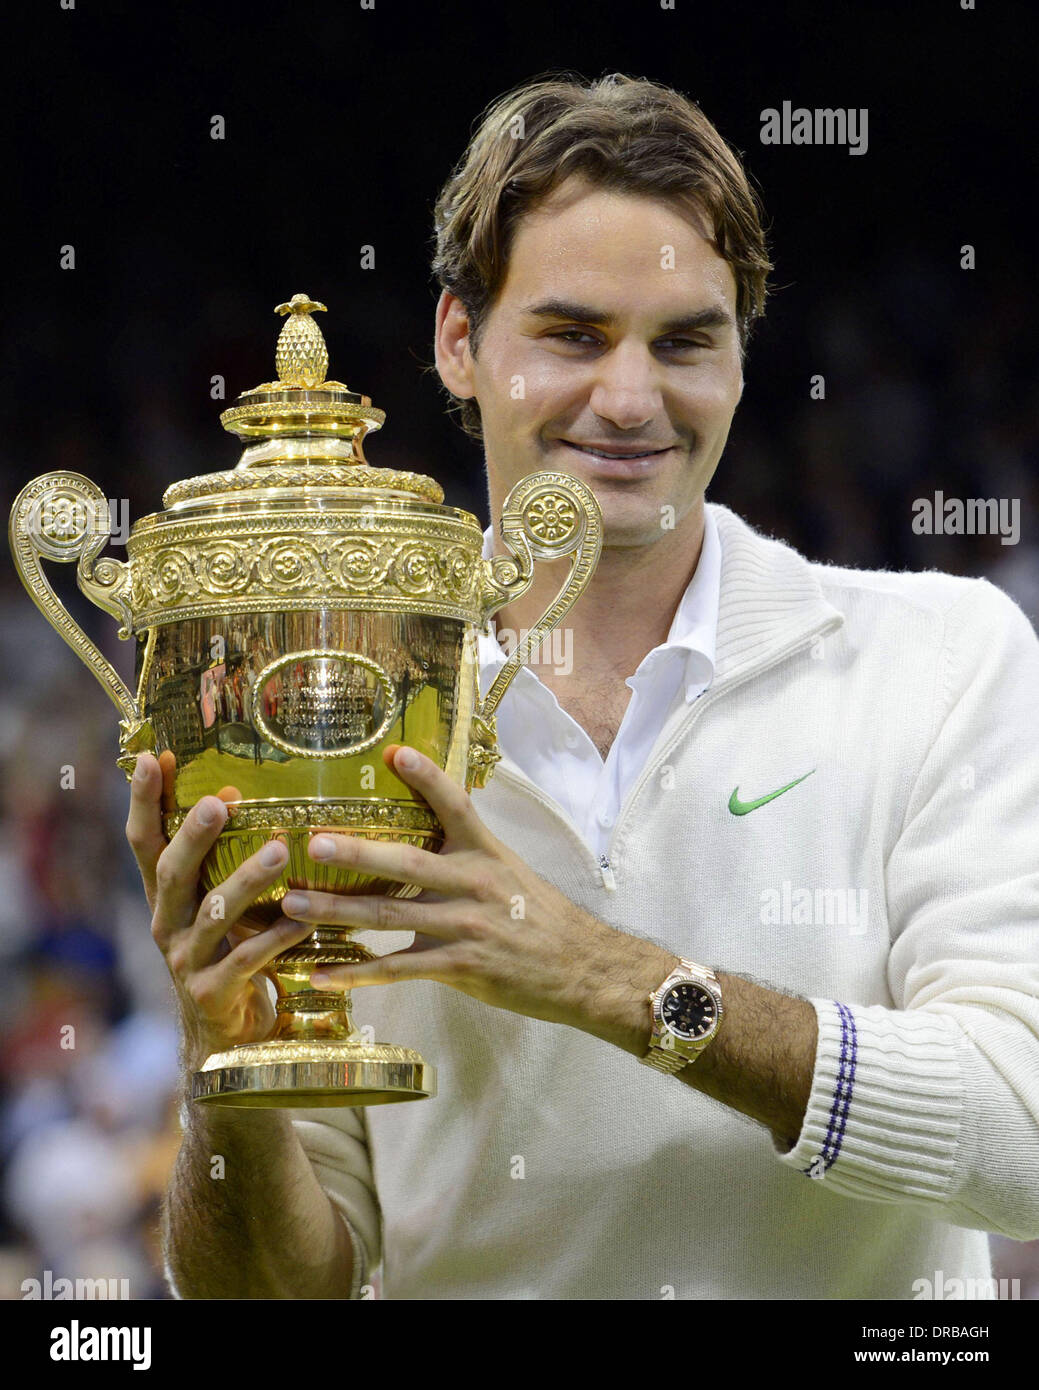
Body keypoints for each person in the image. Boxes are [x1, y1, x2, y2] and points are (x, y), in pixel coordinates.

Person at [127, 71, 1039, 1300]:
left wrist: (613, 980)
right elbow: (280, 1294)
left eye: (683, 341)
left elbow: (1021, 1136)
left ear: (739, 356)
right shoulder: (328, 726)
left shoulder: (944, 654)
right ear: (460, 343)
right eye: (571, 334)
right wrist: (222, 1071)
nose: (628, 399)